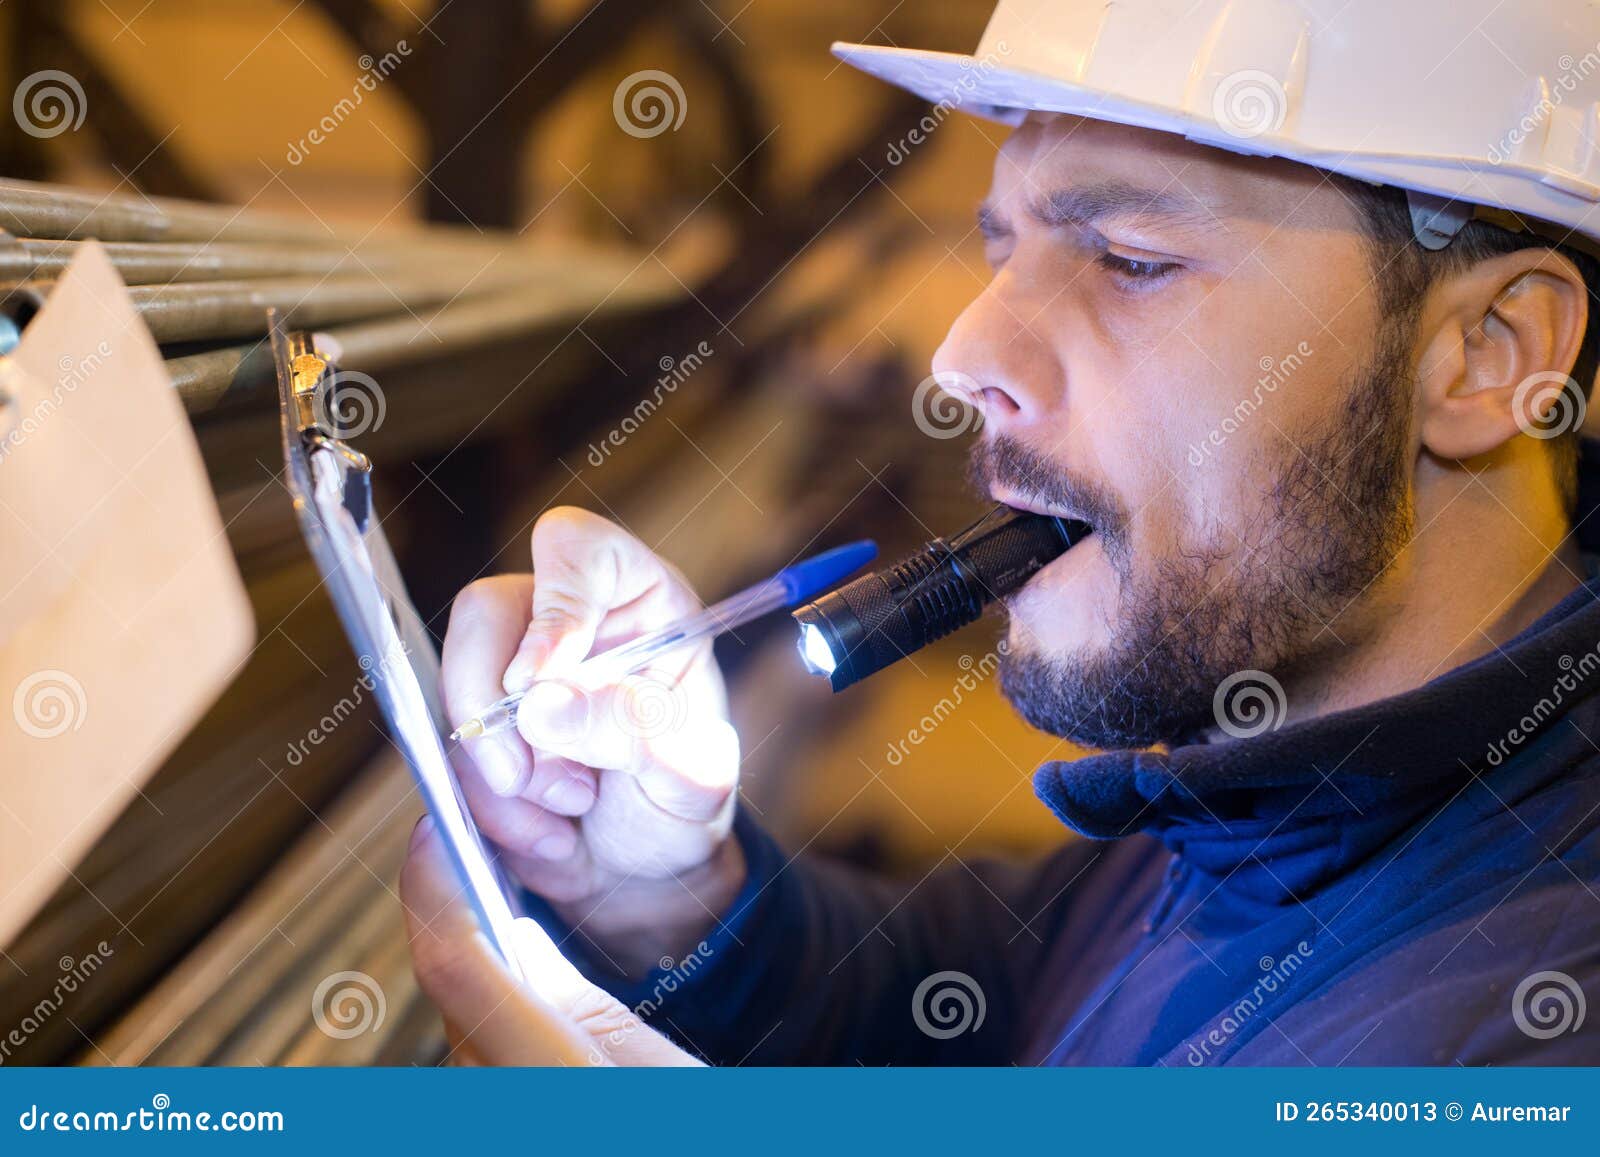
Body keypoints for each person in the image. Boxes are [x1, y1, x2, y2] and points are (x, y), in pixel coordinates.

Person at [401, 0, 1600, 1064]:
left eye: (1132, 260)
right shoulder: (1270, 773)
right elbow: (996, 1007)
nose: (964, 355)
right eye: (1002, 248)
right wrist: (665, 894)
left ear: (1489, 355)